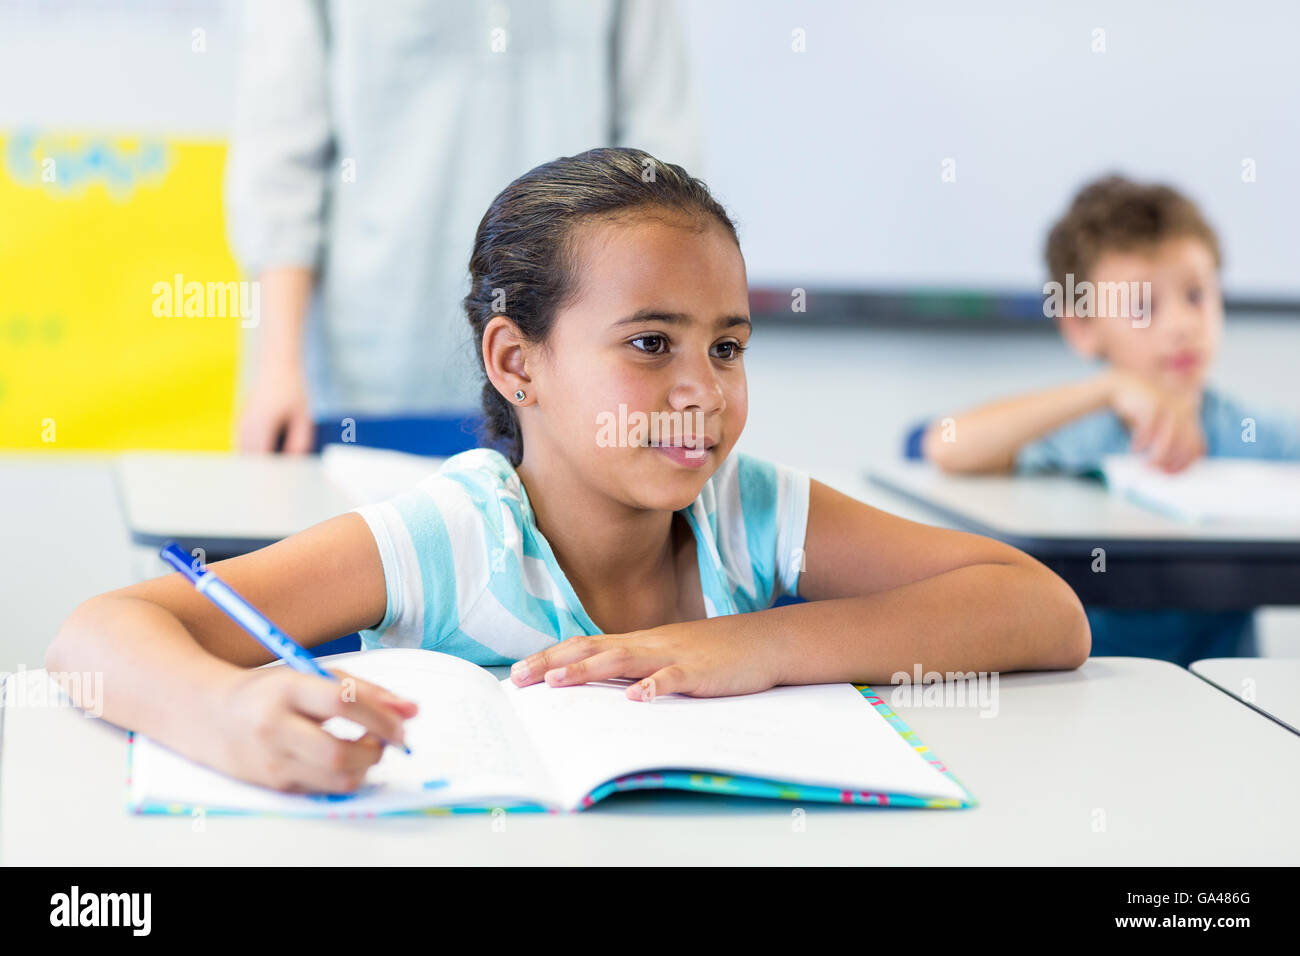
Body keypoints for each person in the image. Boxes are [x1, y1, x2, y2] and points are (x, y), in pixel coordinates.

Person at [48, 148, 1087, 795]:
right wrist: (227, 715)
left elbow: (1043, 611)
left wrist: (755, 643)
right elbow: (96, 631)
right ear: (517, 361)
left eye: (727, 347)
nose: (703, 390)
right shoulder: (450, 532)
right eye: (649, 345)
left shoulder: (752, 508)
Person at [225, 0, 703, 456]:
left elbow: (657, 153)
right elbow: (282, 158)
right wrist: (279, 367)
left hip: (568, 371)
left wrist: (661, 365)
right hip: (363, 373)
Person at [922, 175, 1300, 665]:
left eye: (1196, 295)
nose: (1182, 324)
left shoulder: (1252, 434)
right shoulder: (1074, 439)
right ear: (1082, 328)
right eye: (1143, 307)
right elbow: (946, 446)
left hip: (1226, 705)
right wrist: (1106, 387)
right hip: (1089, 694)